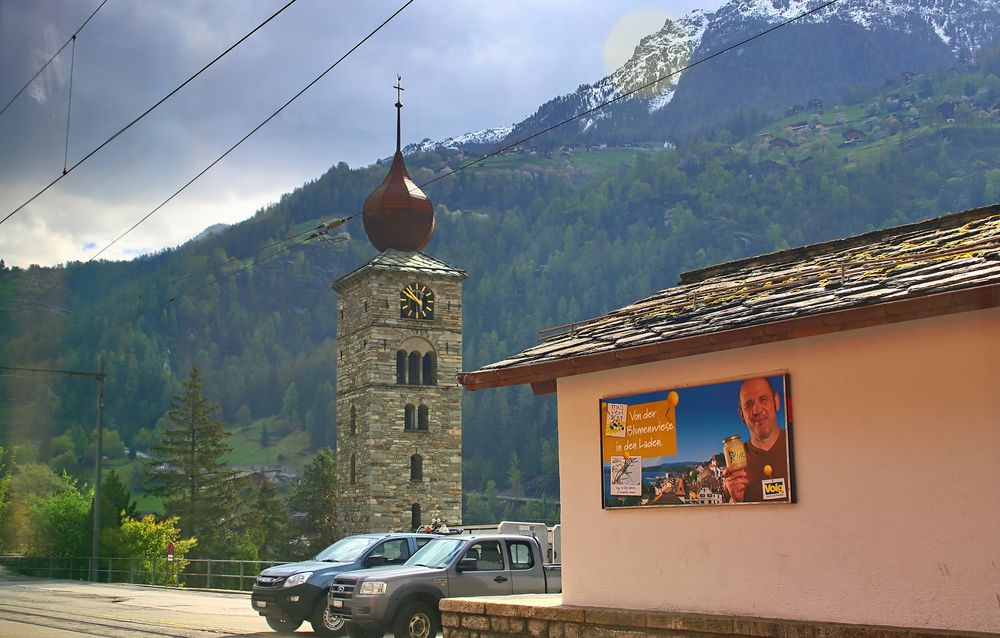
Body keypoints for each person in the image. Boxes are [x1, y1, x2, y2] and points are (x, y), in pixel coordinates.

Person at [722, 376, 790, 503]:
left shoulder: (798, 445)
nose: (757, 410)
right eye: (749, 405)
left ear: (776, 402)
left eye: (763, 400)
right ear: (742, 415)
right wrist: (735, 500)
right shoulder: (735, 463)